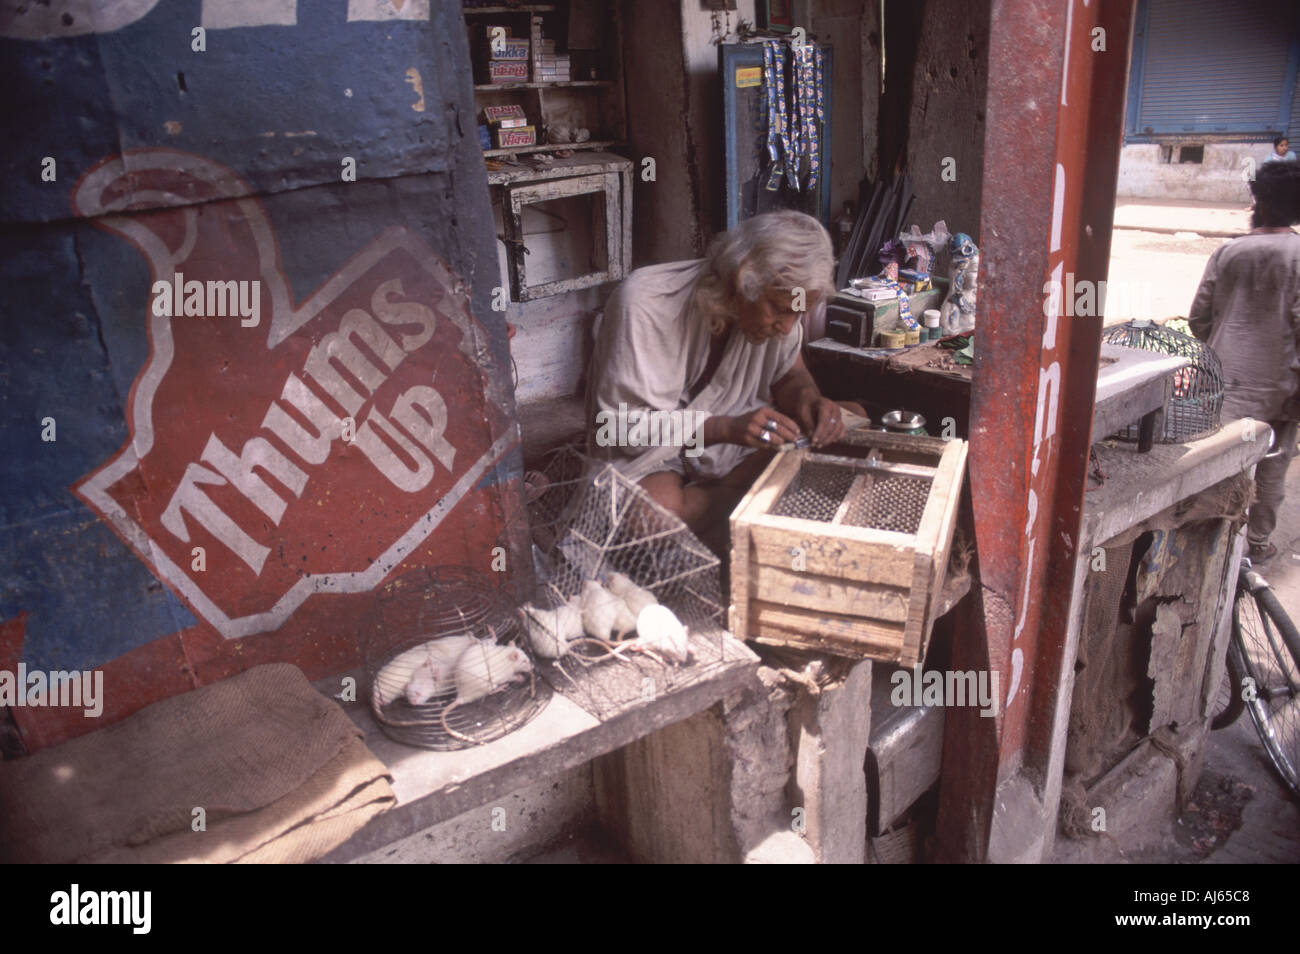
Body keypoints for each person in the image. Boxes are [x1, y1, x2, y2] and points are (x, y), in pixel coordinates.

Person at [586, 209, 859, 550]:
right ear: (741, 282)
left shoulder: (784, 304)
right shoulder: (644, 302)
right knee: (654, 519)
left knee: (855, 417)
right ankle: (744, 499)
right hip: (653, 452)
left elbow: (791, 375)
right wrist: (724, 428)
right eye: (779, 309)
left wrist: (810, 402)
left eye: (797, 314)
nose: (788, 328)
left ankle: (732, 500)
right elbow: (616, 430)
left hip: (734, 450)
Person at [1189, 159, 1300, 563]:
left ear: (1259, 203)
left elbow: (1199, 319)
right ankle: (1257, 544)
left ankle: (1209, 540)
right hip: (1278, 394)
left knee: (1219, 462)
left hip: (1223, 387)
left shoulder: (1230, 251)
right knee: (1271, 464)